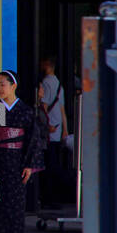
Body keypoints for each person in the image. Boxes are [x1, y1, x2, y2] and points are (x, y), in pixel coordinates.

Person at [0, 71, 43, 233]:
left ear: (14, 86)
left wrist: (29, 165)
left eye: (3, 84)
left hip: (18, 163)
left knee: (17, 205)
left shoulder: (26, 112)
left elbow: (34, 139)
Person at [37, 57, 67, 210]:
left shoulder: (46, 83)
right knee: (55, 164)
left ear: (48, 65)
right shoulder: (59, 84)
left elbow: (44, 106)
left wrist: (45, 126)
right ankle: (56, 197)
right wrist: (65, 130)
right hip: (57, 129)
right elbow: (62, 109)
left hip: (49, 131)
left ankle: (47, 198)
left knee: (48, 166)